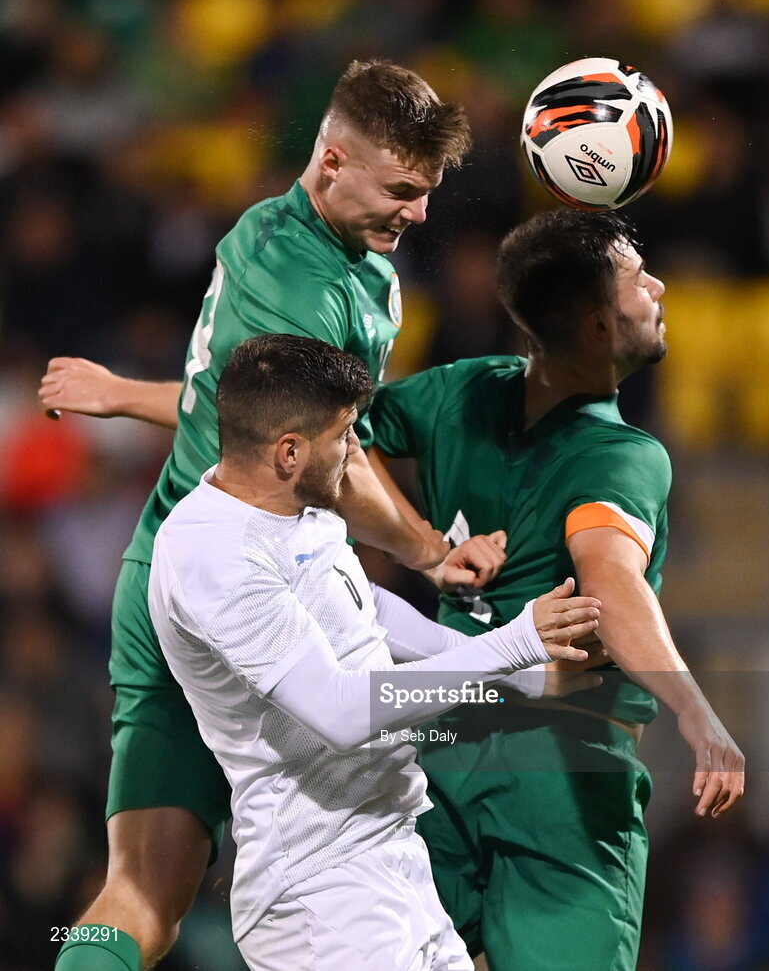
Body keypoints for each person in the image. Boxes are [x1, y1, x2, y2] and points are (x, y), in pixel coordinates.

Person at [42, 60, 474, 971]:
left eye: (428, 192)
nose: (419, 212)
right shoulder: (309, 291)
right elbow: (327, 458)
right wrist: (432, 553)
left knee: (144, 895)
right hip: (231, 576)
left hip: (213, 570)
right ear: (330, 162)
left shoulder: (302, 246)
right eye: (402, 189)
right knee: (195, 886)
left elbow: (228, 407)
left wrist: (127, 394)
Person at [148, 332, 602, 971]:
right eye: (344, 436)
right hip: (316, 888)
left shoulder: (300, 508)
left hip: (388, 849)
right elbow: (340, 711)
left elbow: (369, 614)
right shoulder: (214, 555)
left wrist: (525, 675)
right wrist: (515, 641)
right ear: (288, 451)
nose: (355, 452)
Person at [370, 208, 746, 971]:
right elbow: (607, 579)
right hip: (562, 773)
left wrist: (422, 545)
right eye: (640, 280)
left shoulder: (458, 391)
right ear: (600, 326)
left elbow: (329, 435)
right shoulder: (619, 454)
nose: (660, 287)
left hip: (437, 750)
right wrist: (696, 711)